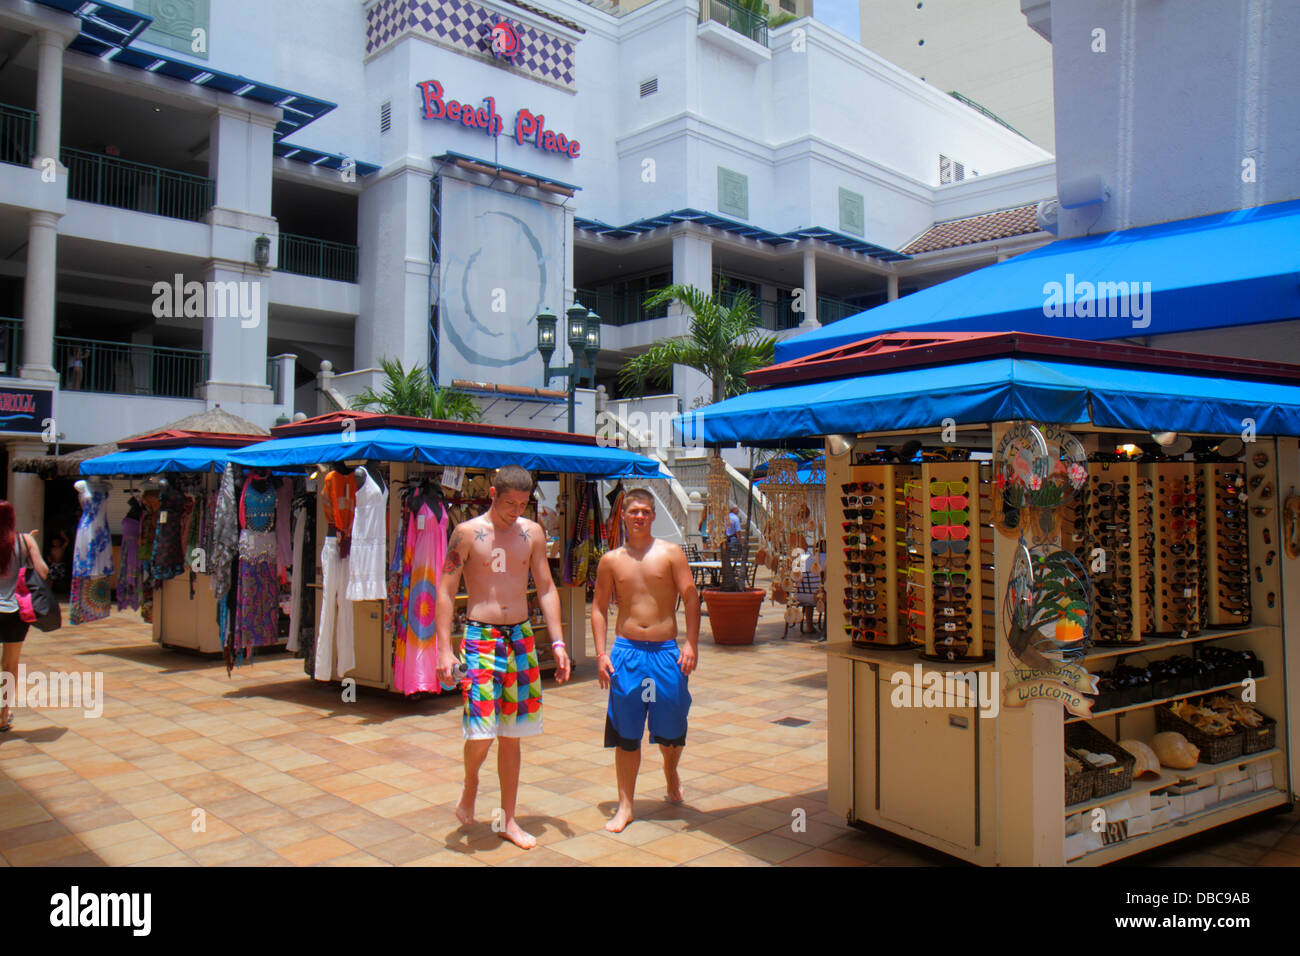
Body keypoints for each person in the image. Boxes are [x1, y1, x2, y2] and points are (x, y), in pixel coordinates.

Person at [436, 465, 570, 850]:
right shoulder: (466, 534)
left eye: (522, 503)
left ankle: (508, 820)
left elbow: (545, 587)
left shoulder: (532, 533)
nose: (515, 510)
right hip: (482, 636)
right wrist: (444, 648)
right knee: (482, 729)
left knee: (513, 734)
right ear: (492, 493)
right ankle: (471, 782)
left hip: (522, 637)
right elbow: (445, 592)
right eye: (509, 502)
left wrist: (558, 643)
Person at [592, 489, 699, 832]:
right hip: (627, 654)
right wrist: (600, 653)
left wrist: (691, 645)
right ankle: (626, 806)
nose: (639, 517)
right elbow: (597, 608)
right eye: (633, 511)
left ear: (653, 516)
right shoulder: (611, 560)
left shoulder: (670, 554)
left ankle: (670, 772)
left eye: (645, 512)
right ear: (622, 515)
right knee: (627, 733)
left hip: (666, 654)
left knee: (671, 729)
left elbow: (691, 596)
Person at [0, 503, 49, 732]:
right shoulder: (24, 541)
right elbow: (43, 570)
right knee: (10, 665)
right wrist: (28, 547)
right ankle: (3, 715)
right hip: (15, 611)